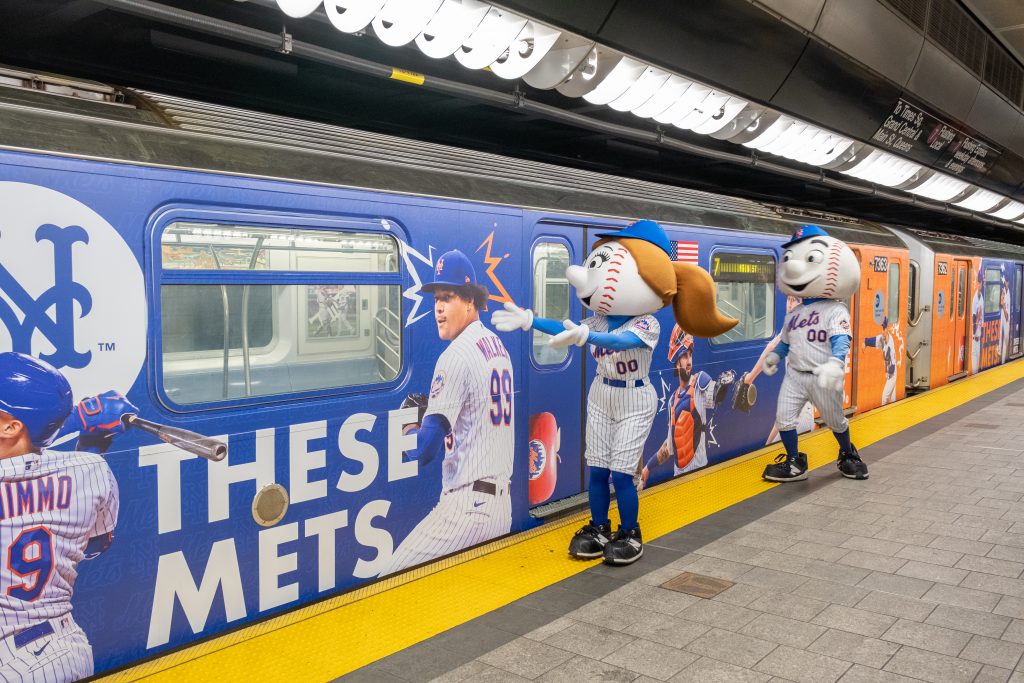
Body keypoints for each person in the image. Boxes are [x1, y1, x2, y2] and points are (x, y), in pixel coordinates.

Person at [495, 220, 735, 565]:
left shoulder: (646, 322)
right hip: (601, 395)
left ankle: (630, 532)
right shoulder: (597, 320)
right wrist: (530, 319)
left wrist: (585, 337)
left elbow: (621, 341)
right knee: (597, 469)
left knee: (622, 473)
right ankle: (598, 526)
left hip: (635, 398)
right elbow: (571, 327)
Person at [0, 353, 135, 682]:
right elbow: (95, 546)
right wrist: (89, 436)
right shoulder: (92, 469)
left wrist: (77, 419)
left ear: (11, 426)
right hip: (68, 647)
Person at [378, 250, 514, 576]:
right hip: (500, 507)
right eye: (436, 299)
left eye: (447, 297)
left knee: (388, 580)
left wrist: (400, 434)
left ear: (469, 301)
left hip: (467, 507)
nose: (438, 308)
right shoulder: (496, 346)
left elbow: (425, 449)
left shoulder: (454, 356)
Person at [761, 225, 867, 482]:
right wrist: (776, 356)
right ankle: (795, 460)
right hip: (796, 375)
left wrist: (836, 363)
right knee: (784, 418)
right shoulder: (794, 315)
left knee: (836, 420)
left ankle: (847, 453)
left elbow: (841, 339)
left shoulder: (836, 310)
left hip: (822, 374)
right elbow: (787, 343)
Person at [639, 326, 736, 486]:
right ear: (677, 362)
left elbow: (715, 396)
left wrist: (723, 384)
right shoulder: (672, 402)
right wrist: (648, 468)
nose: (689, 361)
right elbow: (669, 447)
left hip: (699, 469)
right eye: (684, 356)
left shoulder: (700, 382)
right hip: (678, 475)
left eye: (690, 355)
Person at [863, 316, 897, 405]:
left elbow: (892, 362)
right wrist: (865, 342)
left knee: (884, 396)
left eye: (884, 329)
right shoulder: (883, 339)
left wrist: (889, 374)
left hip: (892, 373)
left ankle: (883, 415)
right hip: (890, 372)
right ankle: (893, 415)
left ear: (887, 331)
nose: (883, 332)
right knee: (893, 398)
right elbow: (874, 340)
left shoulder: (890, 342)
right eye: (882, 329)